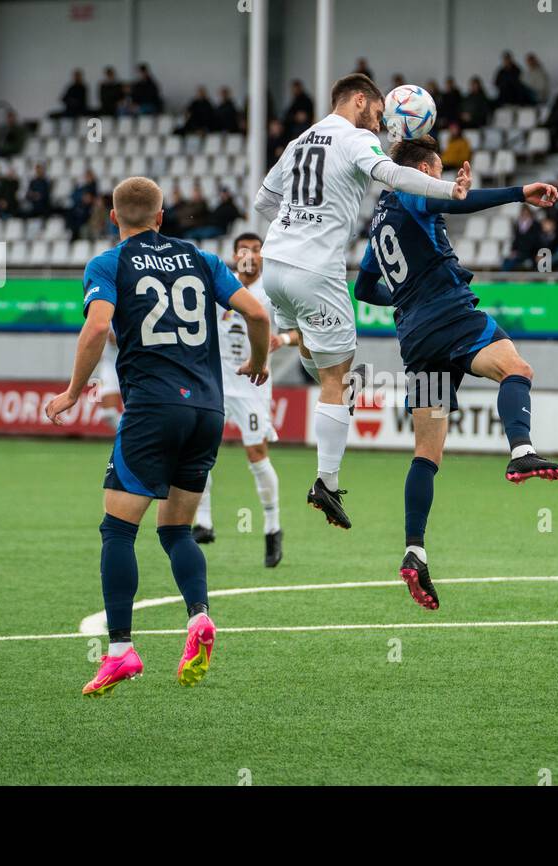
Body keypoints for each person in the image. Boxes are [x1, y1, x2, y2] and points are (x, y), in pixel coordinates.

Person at [45, 176, 270, 696]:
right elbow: (256, 312)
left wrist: (74, 391)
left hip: (152, 409)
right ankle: (198, 618)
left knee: (118, 530)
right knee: (175, 531)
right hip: (208, 411)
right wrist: (258, 360)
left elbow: (98, 328)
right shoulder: (202, 258)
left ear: (112, 218)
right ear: (162, 216)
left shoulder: (107, 264)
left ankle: (122, 651)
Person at [352, 135, 558, 610]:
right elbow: (463, 202)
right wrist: (519, 191)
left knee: (427, 452)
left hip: (415, 338)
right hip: (450, 315)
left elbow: (365, 286)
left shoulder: (380, 217)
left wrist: (405, 299)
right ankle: (522, 449)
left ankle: (414, 549)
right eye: (436, 172)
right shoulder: (413, 193)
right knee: (517, 367)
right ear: (424, 171)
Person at [254, 73, 470, 530]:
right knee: (341, 379)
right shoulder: (352, 138)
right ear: (358, 100)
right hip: (316, 270)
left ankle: (303, 353)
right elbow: (391, 174)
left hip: (274, 264)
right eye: (376, 112)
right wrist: (448, 189)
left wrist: (297, 227)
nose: (380, 122)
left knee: (318, 358)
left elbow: (264, 200)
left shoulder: (300, 140)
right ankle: (326, 483)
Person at [194, 233, 298, 567]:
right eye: (244, 249)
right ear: (235, 255)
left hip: (253, 386)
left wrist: (282, 337)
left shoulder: (273, 292)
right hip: (217, 384)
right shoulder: (221, 288)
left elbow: (303, 330)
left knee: (256, 454)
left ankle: (272, 528)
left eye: (256, 249)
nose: (250, 255)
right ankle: (204, 522)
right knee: (198, 449)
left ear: (263, 256)